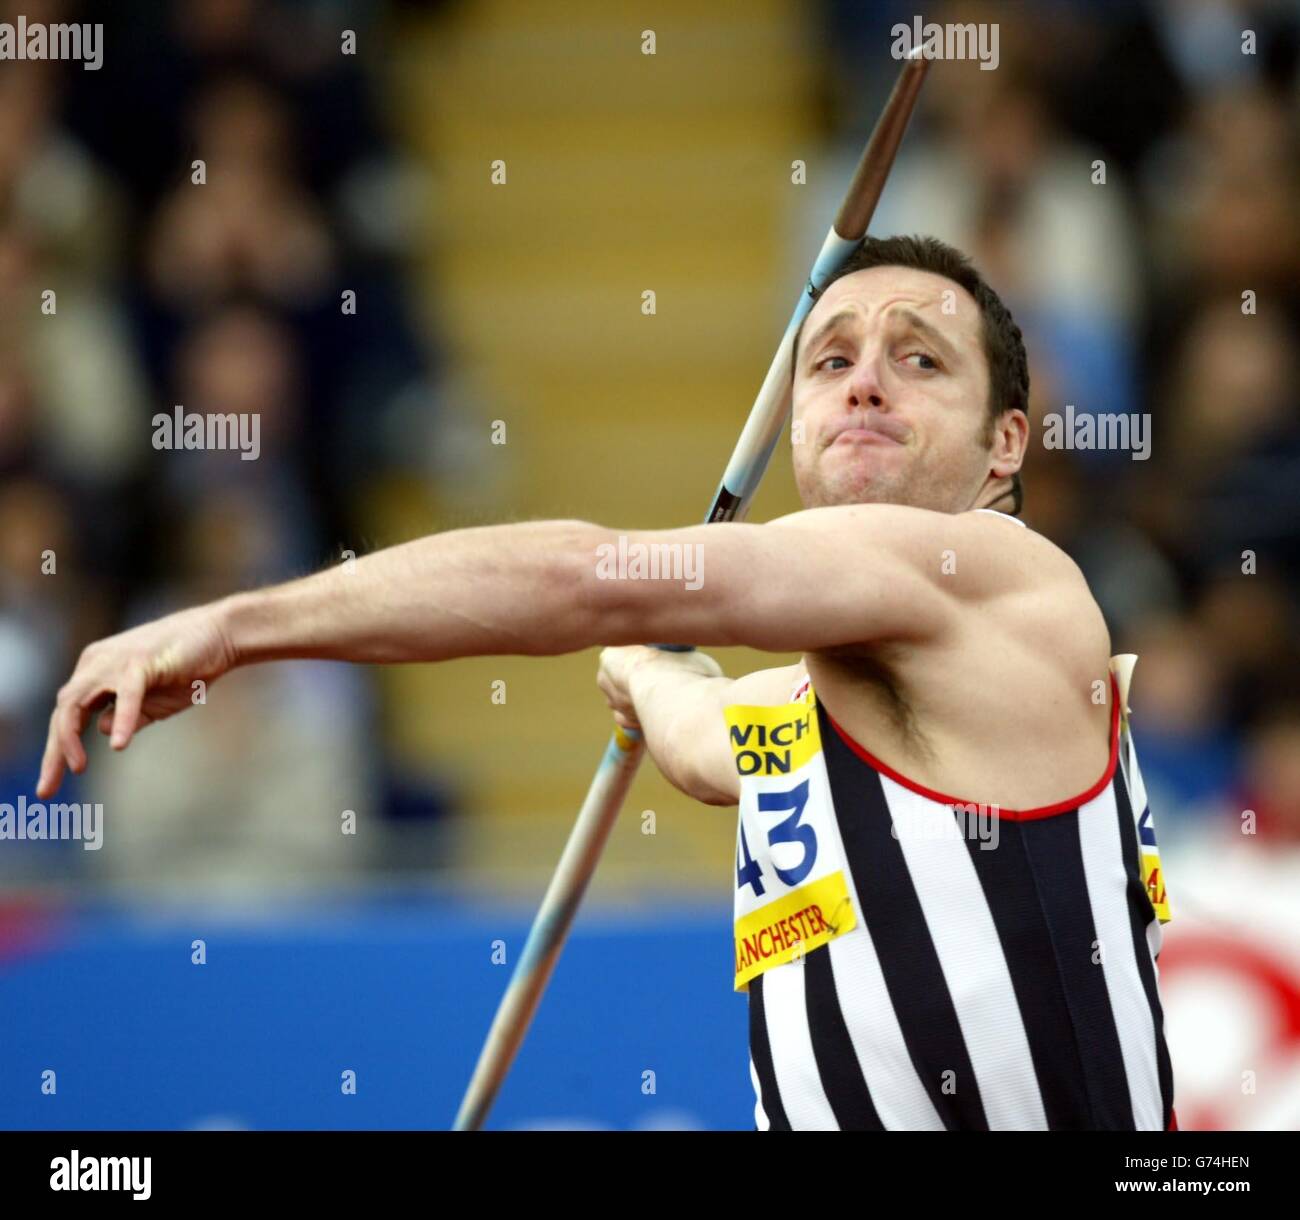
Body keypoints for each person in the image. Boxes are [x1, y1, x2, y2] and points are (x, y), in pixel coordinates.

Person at [37, 235, 1173, 1131]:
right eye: (828, 360)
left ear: (1005, 444)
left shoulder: (1003, 579)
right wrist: (643, 666)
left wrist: (238, 625)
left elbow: (589, 577)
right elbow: (701, 736)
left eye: (917, 357)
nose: (863, 382)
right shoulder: (812, 706)